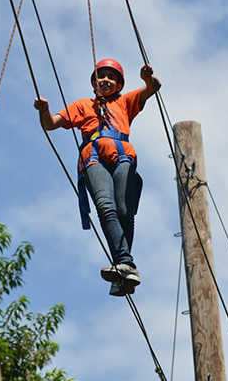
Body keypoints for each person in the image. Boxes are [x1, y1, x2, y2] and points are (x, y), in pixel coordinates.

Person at [34, 59, 161, 296]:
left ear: (119, 84)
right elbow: (51, 124)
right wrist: (44, 111)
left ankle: (123, 267)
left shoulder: (124, 102)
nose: (105, 80)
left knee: (124, 210)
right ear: (94, 82)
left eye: (111, 77)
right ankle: (125, 263)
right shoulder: (83, 105)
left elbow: (153, 87)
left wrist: (146, 78)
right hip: (93, 158)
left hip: (122, 155)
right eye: (101, 76)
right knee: (105, 206)